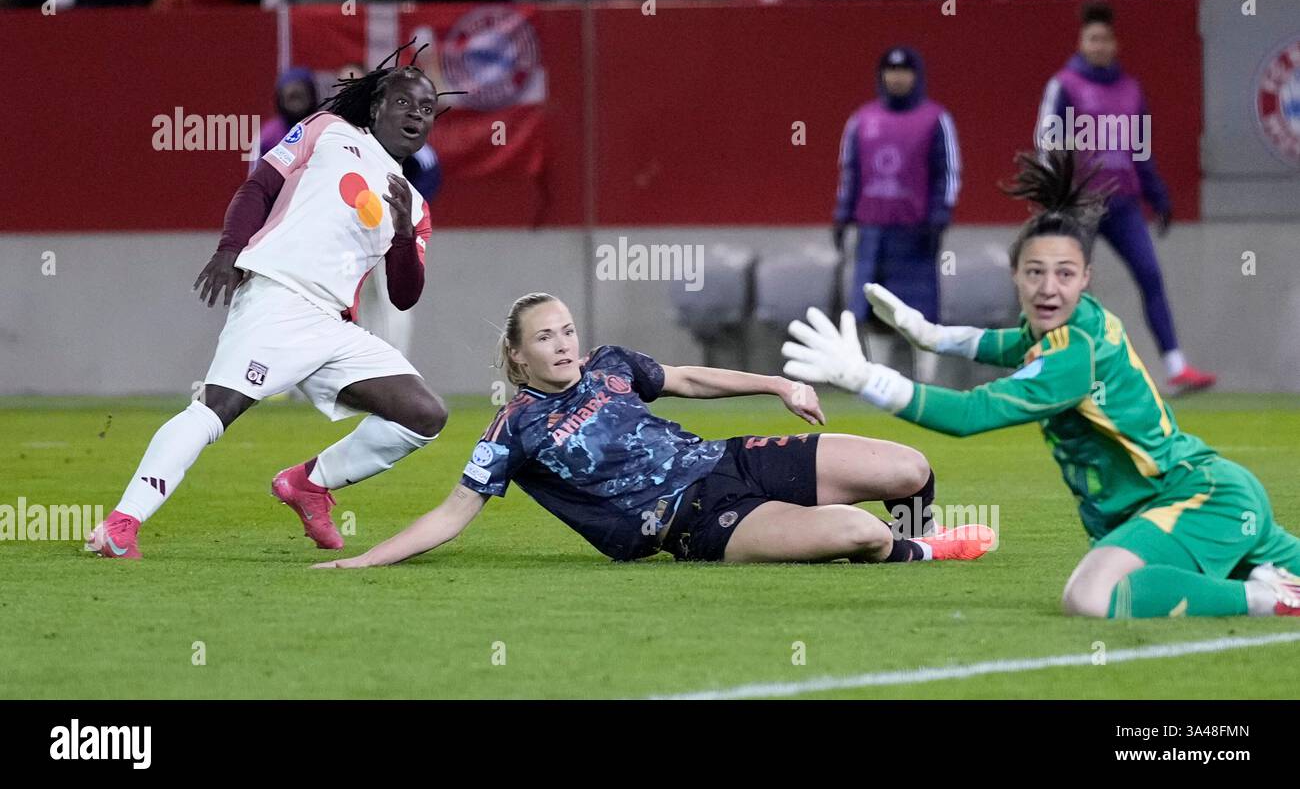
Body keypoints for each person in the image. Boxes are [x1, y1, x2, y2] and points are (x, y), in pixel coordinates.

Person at [783, 149, 1300, 619]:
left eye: (1064, 275)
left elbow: (970, 415)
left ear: (1086, 278)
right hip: (1194, 501)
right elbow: (1010, 344)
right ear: (1015, 275)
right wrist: (932, 334)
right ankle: (1262, 581)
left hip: (1198, 501)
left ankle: (1265, 598)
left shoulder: (1072, 356)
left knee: (1090, 597)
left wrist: (866, 378)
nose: (1048, 288)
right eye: (1034, 273)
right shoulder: (1074, 321)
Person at [313, 292, 997, 568]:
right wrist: (361, 561)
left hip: (732, 459)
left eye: (567, 330)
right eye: (544, 338)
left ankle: (921, 545)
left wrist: (778, 383)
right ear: (518, 356)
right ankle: (917, 557)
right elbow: (450, 515)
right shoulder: (512, 429)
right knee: (863, 532)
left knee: (908, 468)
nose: (562, 344)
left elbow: (690, 379)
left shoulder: (610, 366)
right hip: (694, 521)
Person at [86, 45, 450, 560]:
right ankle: (122, 523)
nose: (416, 114)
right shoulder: (327, 130)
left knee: (423, 414)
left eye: (427, 109)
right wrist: (229, 249)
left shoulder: (413, 204)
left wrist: (398, 235)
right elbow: (259, 186)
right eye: (404, 102)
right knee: (217, 409)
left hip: (332, 324)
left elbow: (404, 294)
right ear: (376, 107)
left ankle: (308, 484)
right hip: (278, 294)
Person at [1035, 1, 1214, 391]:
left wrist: (1158, 195)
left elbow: (1141, 150)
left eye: (1104, 39)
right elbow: (1047, 142)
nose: (1098, 45)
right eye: (1092, 38)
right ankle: (1063, 366)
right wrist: (1055, 196)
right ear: (1082, 42)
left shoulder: (1130, 90)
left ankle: (1176, 366)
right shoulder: (1065, 85)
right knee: (1069, 284)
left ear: (1115, 44)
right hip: (1080, 204)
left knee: (1150, 276)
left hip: (1124, 204)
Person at [833, 46, 960, 380]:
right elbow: (850, 171)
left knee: (921, 311)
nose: (897, 77)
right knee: (873, 309)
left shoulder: (935, 119)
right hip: (873, 232)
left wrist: (939, 215)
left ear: (916, 76)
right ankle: (879, 377)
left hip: (916, 233)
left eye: (904, 71)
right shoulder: (862, 120)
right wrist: (843, 215)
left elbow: (947, 172)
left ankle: (926, 380)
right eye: (890, 70)